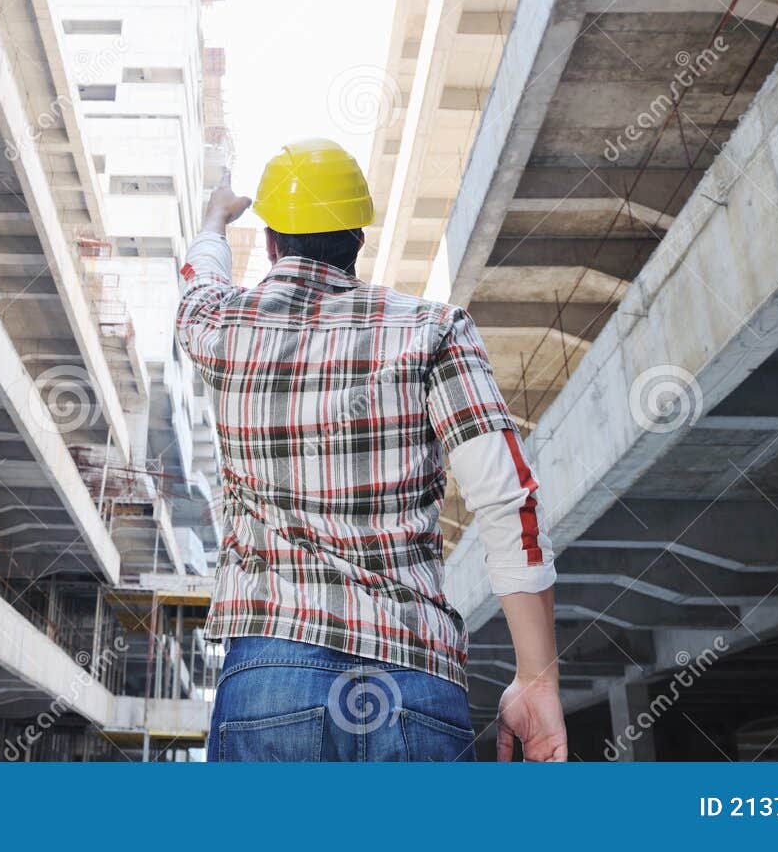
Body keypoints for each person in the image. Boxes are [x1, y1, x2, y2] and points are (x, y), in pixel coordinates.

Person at [176, 138, 565, 762]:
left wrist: (216, 219)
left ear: (273, 244)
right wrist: (538, 680)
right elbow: (506, 501)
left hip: (267, 682)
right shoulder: (435, 329)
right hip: (414, 676)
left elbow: (199, 281)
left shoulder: (221, 329)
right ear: (358, 239)